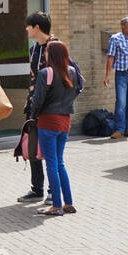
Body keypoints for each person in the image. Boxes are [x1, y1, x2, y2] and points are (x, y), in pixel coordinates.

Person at [33, 39, 80, 217]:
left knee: (51, 163)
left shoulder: (46, 73)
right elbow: (75, 92)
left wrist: (33, 116)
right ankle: (68, 203)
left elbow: (37, 100)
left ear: (51, 55)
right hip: (65, 121)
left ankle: (56, 205)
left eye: (46, 52)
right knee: (59, 162)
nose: (44, 54)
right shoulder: (72, 71)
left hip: (47, 121)